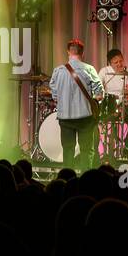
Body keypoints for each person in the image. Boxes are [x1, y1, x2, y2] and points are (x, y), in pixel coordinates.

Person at [49, 38, 104, 171]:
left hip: (65, 117)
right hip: (85, 117)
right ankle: (86, 178)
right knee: (86, 150)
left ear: (68, 52)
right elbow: (99, 93)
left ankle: (68, 178)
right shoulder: (89, 69)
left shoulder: (58, 71)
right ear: (82, 53)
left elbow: (54, 95)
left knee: (68, 150)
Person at [100, 48, 128, 153]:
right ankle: (110, 149)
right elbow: (98, 89)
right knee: (105, 120)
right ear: (110, 63)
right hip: (110, 105)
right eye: (116, 62)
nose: (119, 64)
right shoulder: (105, 71)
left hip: (125, 106)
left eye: (121, 61)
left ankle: (127, 148)